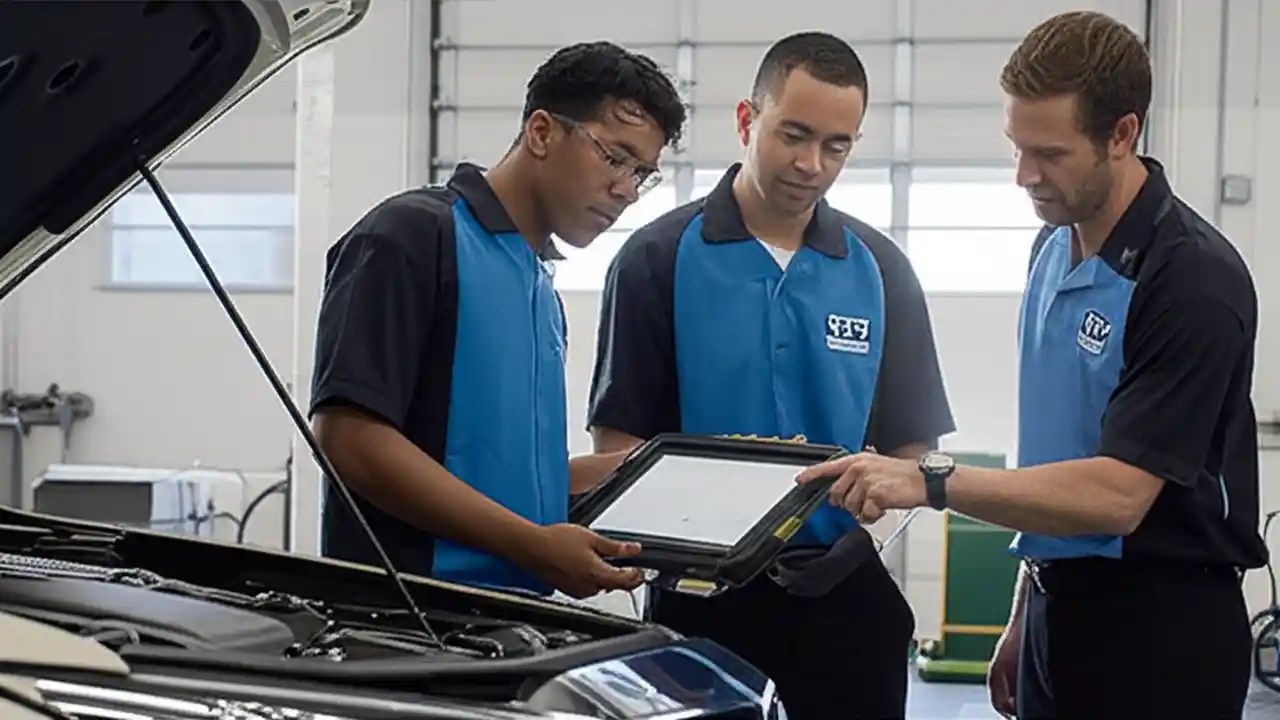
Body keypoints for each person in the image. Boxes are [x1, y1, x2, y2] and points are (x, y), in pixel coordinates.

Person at [797, 10, 1269, 719]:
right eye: (1016, 147)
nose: (1023, 176)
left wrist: (927, 480)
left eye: (1049, 153)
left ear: (1121, 134)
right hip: (1060, 611)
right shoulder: (1051, 249)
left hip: (1161, 631)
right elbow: (1060, 452)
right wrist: (1028, 604)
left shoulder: (1193, 281)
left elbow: (1116, 496)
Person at [587, 31, 955, 719]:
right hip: (698, 610)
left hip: (843, 596)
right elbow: (617, 451)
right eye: (794, 134)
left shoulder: (882, 270)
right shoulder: (654, 261)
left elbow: (914, 452)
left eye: (836, 145)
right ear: (746, 121)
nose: (811, 164)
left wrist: (865, 536)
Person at [308, 41, 688, 600]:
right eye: (614, 157)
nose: (627, 191)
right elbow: (349, 437)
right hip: (405, 623)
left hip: (507, 621)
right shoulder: (413, 235)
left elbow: (523, 483)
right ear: (540, 132)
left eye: (643, 174)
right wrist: (532, 545)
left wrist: (668, 466)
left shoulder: (537, 284)